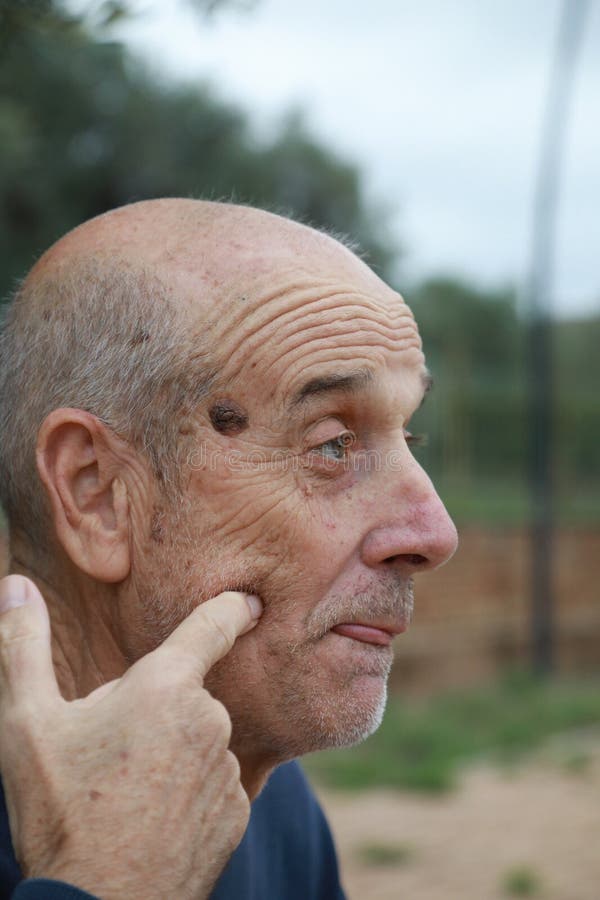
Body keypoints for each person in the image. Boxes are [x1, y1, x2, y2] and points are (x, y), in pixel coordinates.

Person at [0, 199, 458, 899]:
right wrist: (104, 883)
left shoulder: (257, 791)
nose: (433, 533)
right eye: (332, 444)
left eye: (408, 437)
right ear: (96, 493)